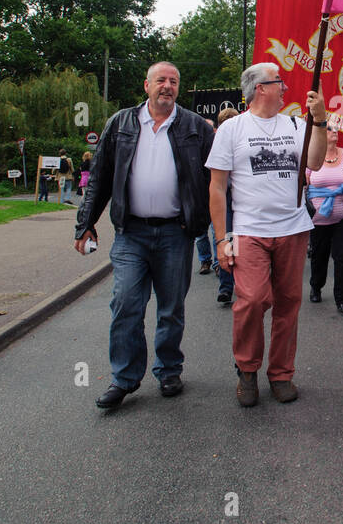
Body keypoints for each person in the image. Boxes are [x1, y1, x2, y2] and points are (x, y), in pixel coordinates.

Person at [74, 62, 214, 409]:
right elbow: (100, 178)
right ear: (146, 85)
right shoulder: (121, 123)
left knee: (171, 308)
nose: (167, 86)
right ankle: (124, 378)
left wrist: (215, 226)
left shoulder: (195, 127)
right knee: (125, 304)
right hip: (131, 233)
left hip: (175, 233)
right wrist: (85, 223)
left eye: (174, 81)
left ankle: (168, 369)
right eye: (161, 81)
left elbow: (217, 181)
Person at [208, 63, 327, 407]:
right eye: (280, 83)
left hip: (292, 228)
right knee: (253, 300)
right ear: (261, 88)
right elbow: (217, 187)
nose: (286, 88)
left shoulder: (295, 124)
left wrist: (319, 121)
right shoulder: (232, 129)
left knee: (288, 302)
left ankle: (281, 373)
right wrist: (220, 239)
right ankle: (247, 369)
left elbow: (316, 164)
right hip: (249, 230)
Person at [306, 122, 343, 317]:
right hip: (318, 219)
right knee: (319, 257)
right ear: (320, 133)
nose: (334, 131)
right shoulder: (312, 157)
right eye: (329, 129)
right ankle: (316, 286)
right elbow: (305, 186)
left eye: (336, 129)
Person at [212, 107, 240, 304]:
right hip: (226, 197)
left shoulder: (243, 141)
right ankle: (226, 287)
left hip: (244, 198)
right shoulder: (217, 144)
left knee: (244, 241)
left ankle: (241, 284)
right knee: (227, 239)